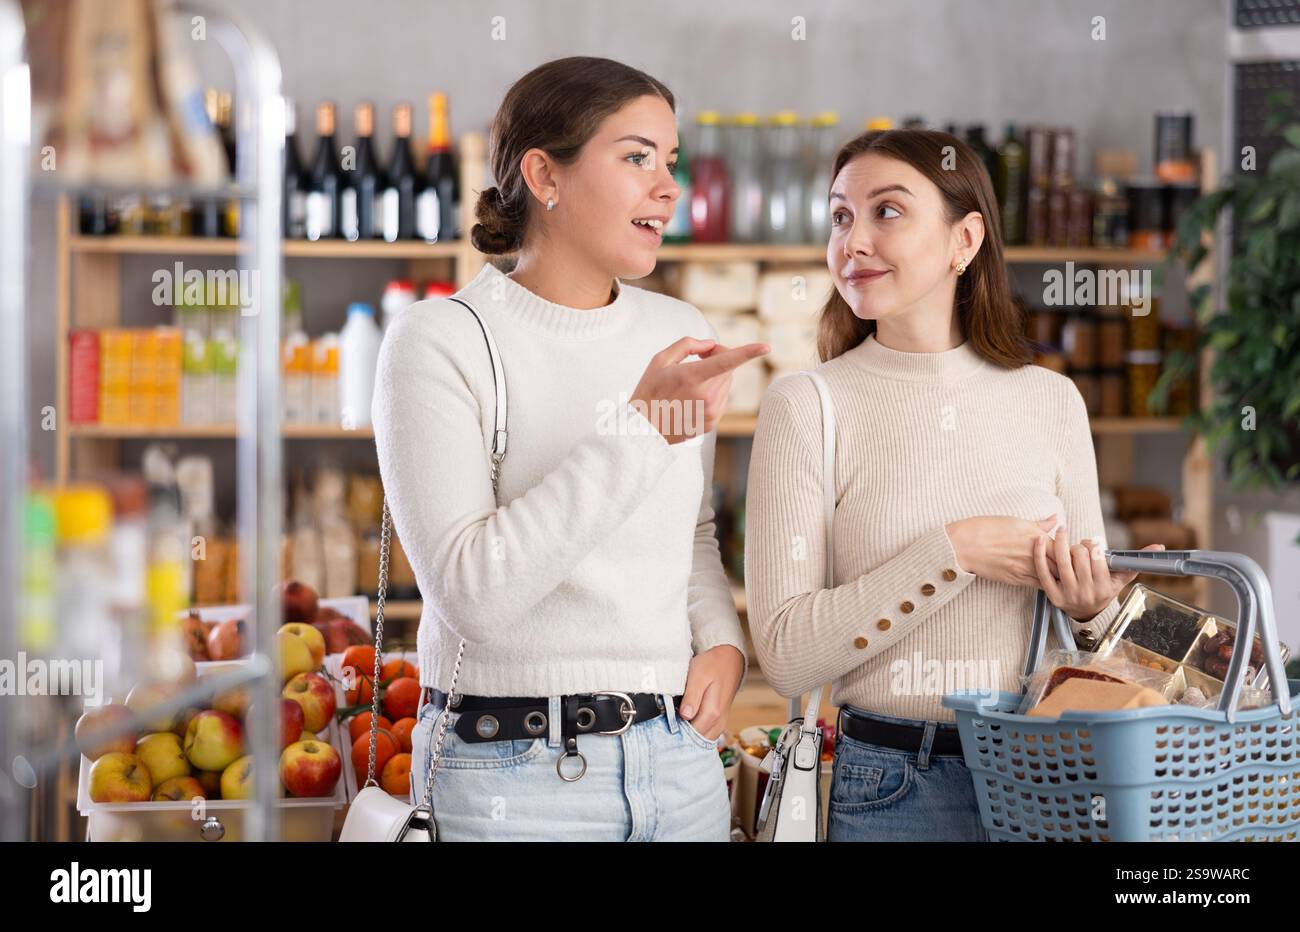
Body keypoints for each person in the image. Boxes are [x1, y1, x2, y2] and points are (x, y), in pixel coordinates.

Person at [372, 56, 768, 841]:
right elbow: (471, 593)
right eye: (635, 157)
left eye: (670, 162)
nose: (667, 187)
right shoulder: (439, 342)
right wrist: (637, 430)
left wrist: (723, 641)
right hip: (510, 775)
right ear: (544, 176)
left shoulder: (675, 333)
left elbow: (687, 533)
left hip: (678, 768)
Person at [744, 129, 1163, 842]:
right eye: (841, 216)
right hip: (891, 787)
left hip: (1047, 775)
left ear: (964, 240)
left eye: (888, 212)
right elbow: (784, 653)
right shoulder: (808, 405)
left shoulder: (1051, 400)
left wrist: (1096, 608)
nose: (855, 240)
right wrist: (954, 553)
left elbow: (1089, 649)